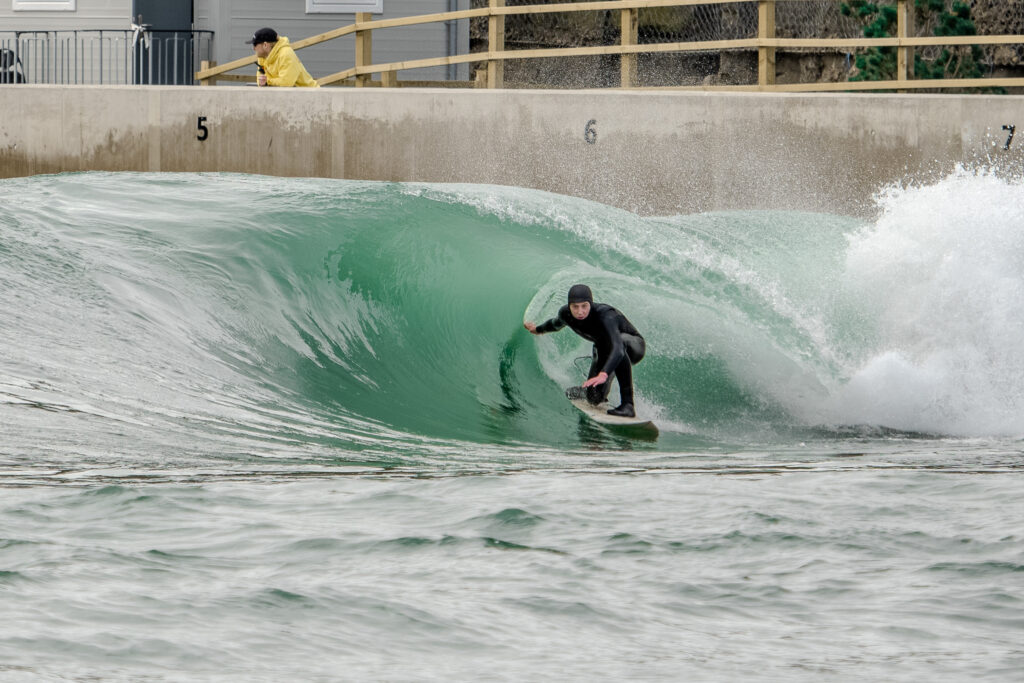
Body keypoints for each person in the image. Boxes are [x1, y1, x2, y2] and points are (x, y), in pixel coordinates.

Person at [524, 284, 645, 418]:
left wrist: (604, 374)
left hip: (632, 347)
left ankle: (628, 405)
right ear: (569, 306)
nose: (580, 311)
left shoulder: (605, 314)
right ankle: (591, 393)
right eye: (575, 307)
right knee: (593, 399)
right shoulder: (566, 314)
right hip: (606, 350)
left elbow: (617, 347)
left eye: (584, 306)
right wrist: (537, 330)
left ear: (590, 304)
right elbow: (554, 324)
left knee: (617, 343)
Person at [246, 28, 319, 88]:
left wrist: (267, 81)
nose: (253, 48)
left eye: (255, 44)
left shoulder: (286, 54)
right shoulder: (262, 57)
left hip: (311, 94)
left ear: (265, 45)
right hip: (292, 94)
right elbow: (260, 80)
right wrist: (264, 82)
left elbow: (286, 83)